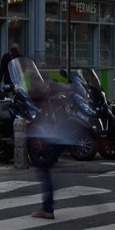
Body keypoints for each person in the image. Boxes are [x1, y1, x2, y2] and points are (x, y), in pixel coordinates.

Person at [26, 79, 83, 219]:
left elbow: (45, 124)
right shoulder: (54, 102)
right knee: (45, 171)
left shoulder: (50, 102)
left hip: (55, 140)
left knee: (44, 171)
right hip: (59, 139)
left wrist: (41, 140)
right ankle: (47, 206)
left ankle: (47, 208)